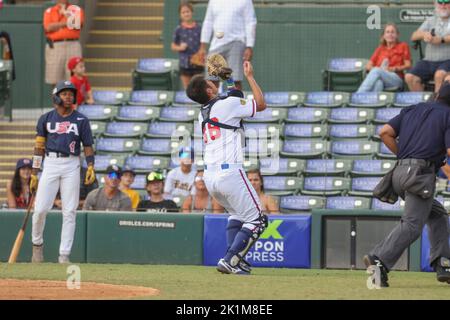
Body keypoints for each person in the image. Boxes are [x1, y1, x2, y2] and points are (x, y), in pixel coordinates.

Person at [365, 80, 450, 288]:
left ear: (438, 95)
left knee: (437, 214)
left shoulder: (413, 108)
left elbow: (384, 132)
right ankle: (379, 259)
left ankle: (443, 264)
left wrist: (404, 156)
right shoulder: (448, 115)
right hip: (419, 175)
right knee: (413, 224)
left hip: (399, 173)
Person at [186, 60, 267, 275]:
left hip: (211, 177)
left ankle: (235, 262)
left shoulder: (202, 112)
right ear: (208, 90)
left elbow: (234, 98)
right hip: (230, 172)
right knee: (258, 220)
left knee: (237, 216)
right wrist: (249, 76)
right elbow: (260, 104)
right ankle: (231, 259)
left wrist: (228, 79)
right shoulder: (225, 105)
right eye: (209, 82)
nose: (212, 82)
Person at [30, 80, 96, 264]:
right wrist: (35, 173)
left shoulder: (81, 119)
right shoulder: (46, 118)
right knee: (41, 209)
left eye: (71, 93)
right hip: (50, 162)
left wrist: (90, 165)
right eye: (64, 93)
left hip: (72, 163)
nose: (69, 96)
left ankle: (64, 255)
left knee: (69, 211)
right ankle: (37, 245)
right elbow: (38, 147)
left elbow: (88, 145)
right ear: (56, 96)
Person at [198, 0, 257, 90]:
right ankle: (214, 104)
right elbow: (208, 22)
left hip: (236, 42)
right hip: (216, 45)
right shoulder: (213, 1)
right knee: (211, 80)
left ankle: (236, 102)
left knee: (234, 80)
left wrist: (249, 46)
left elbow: (250, 22)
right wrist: (202, 47)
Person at [406, 0, 450, 93]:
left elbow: (441, 39)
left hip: (447, 60)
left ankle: (437, 105)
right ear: (435, 4)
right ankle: (422, 105)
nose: (443, 5)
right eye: (440, 2)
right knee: (410, 77)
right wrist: (424, 34)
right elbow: (414, 35)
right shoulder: (431, 20)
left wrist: (442, 40)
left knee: (439, 75)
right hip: (428, 61)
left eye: (446, 2)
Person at [357, 23, 411, 92]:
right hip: (380, 75)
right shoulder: (380, 49)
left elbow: (408, 65)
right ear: (384, 36)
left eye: (393, 32)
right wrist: (380, 70)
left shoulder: (403, 46)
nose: (390, 34)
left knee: (377, 71)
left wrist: (394, 69)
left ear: (397, 35)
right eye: (387, 32)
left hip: (395, 78)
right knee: (378, 83)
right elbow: (368, 66)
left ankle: (358, 95)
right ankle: (372, 102)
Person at [43, 0, 84, 86]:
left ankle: (72, 99)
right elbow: (49, 27)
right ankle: (58, 99)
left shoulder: (76, 10)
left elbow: (77, 24)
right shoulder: (49, 11)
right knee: (54, 79)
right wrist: (67, 23)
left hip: (73, 45)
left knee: (74, 78)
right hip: (55, 46)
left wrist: (66, 13)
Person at [171, 1, 203, 89]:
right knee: (188, 88)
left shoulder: (199, 28)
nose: (186, 14)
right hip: (184, 63)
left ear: (192, 12)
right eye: (183, 12)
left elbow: (202, 44)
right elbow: (173, 46)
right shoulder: (178, 29)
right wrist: (180, 47)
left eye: (188, 11)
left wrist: (200, 53)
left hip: (197, 62)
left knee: (198, 87)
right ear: (180, 14)